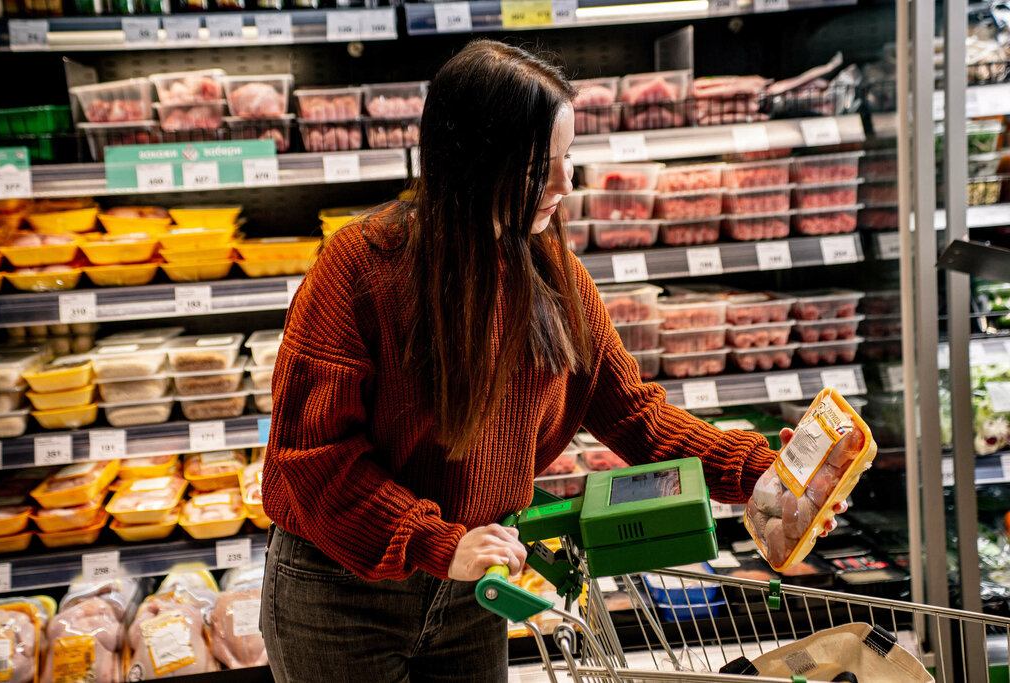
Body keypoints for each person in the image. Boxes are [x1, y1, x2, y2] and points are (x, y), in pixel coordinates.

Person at [259, 39, 844, 683]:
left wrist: (765, 474)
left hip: (474, 586)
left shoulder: (553, 275)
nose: (567, 184)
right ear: (475, 159)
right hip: (341, 594)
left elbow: (636, 416)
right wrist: (435, 542)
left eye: (569, 158)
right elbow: (312, 457)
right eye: (543, 165)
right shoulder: (361, 269)